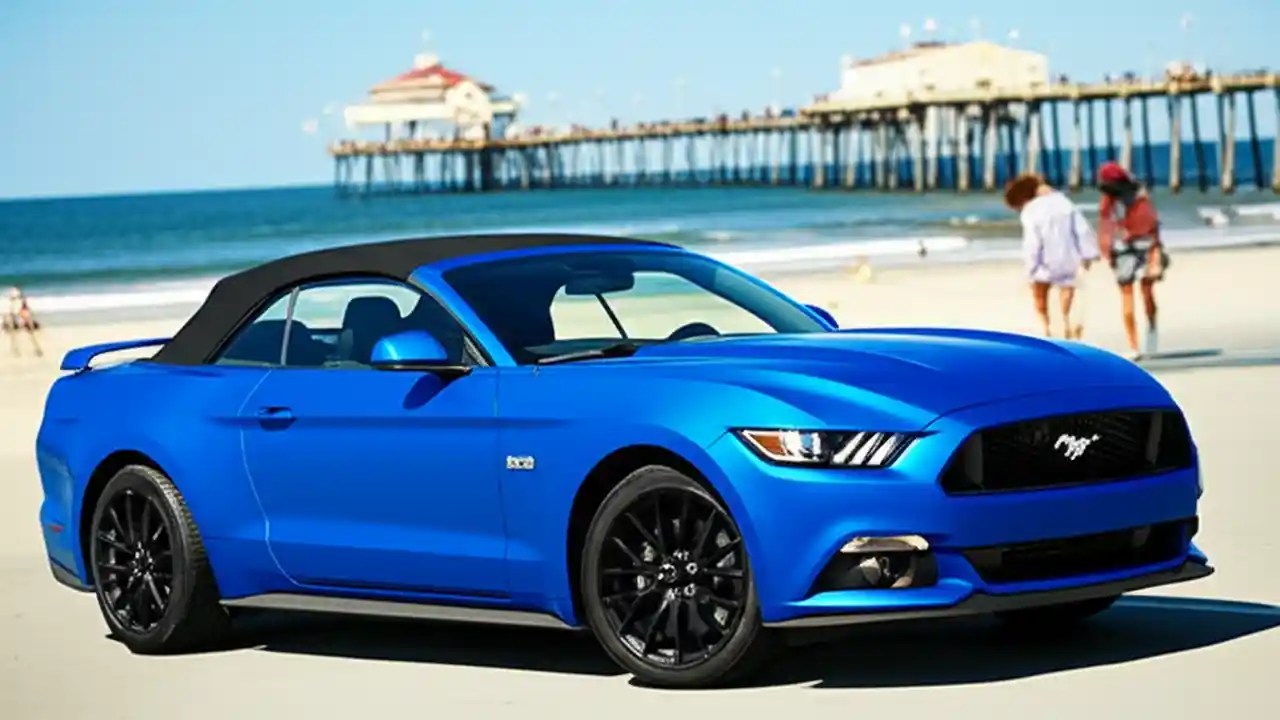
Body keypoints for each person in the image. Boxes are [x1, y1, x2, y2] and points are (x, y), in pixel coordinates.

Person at [1004, 173, 1100, 339]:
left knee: (1040, 295)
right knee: (1067, 289)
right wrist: (1089, 254)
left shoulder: (1030, 211)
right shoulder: (1064, 203)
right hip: (1069, 256)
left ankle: (1047, 328)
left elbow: (1032, 242)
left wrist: (1030, 267)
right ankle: (1065, 322)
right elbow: (1082, 229)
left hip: (1044, 262)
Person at [1096, 161, 1168, 359]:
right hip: (1133, 248)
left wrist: (1109, 248)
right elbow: (1107, 226)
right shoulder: (1135, 196)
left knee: (1138, 293)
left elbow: (1107, 226)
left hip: (1137, 248)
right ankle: (1140, 341)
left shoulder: (1116, 198)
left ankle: (1141, 341)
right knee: (1141, 293)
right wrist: (1108, 249)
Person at [5, 286, 43, 357]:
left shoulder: (20, 301)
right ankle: (16, 349)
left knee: (30, 334)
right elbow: (12, 312)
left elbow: (26, 310)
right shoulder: (14, 301)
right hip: (18, 318)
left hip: (22, 318)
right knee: (15, 333)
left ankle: (36, 349)